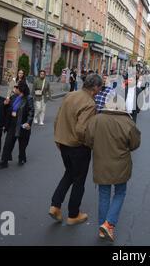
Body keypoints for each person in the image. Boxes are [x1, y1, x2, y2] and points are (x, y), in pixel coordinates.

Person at [84, 94, 141, 242]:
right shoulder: (128, 122)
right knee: (120, 192)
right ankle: (109, 223)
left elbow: (88, 140)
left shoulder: (96, 120)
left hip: (101, 162)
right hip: (121, 164)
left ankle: (103, 227)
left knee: (104, 193)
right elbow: (135, 144)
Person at [49, 74, 103, 226]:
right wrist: (90, 144)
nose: (100, 91)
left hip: (63, 143)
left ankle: (55, 205)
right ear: (94, 88)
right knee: (79, 180)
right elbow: (81, 129)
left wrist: (58, 138)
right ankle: (73, 214)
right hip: (78, 147)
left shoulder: (70, 95)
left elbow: (57, 118)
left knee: (69, 174)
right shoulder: (90, 103)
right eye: (100, 87)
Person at [0, 83, 34, 168]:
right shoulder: (13, 97)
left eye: (17, 88)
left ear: (21, 90)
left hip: (22, 124)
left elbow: (31, 111)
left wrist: (28, 122)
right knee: (8, 143)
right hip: (12, 124)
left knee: (22, 144)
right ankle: (4, 161)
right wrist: (5, 104)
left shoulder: (28, 98)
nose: (15, 89)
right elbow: (8, 108)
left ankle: (21, 158)